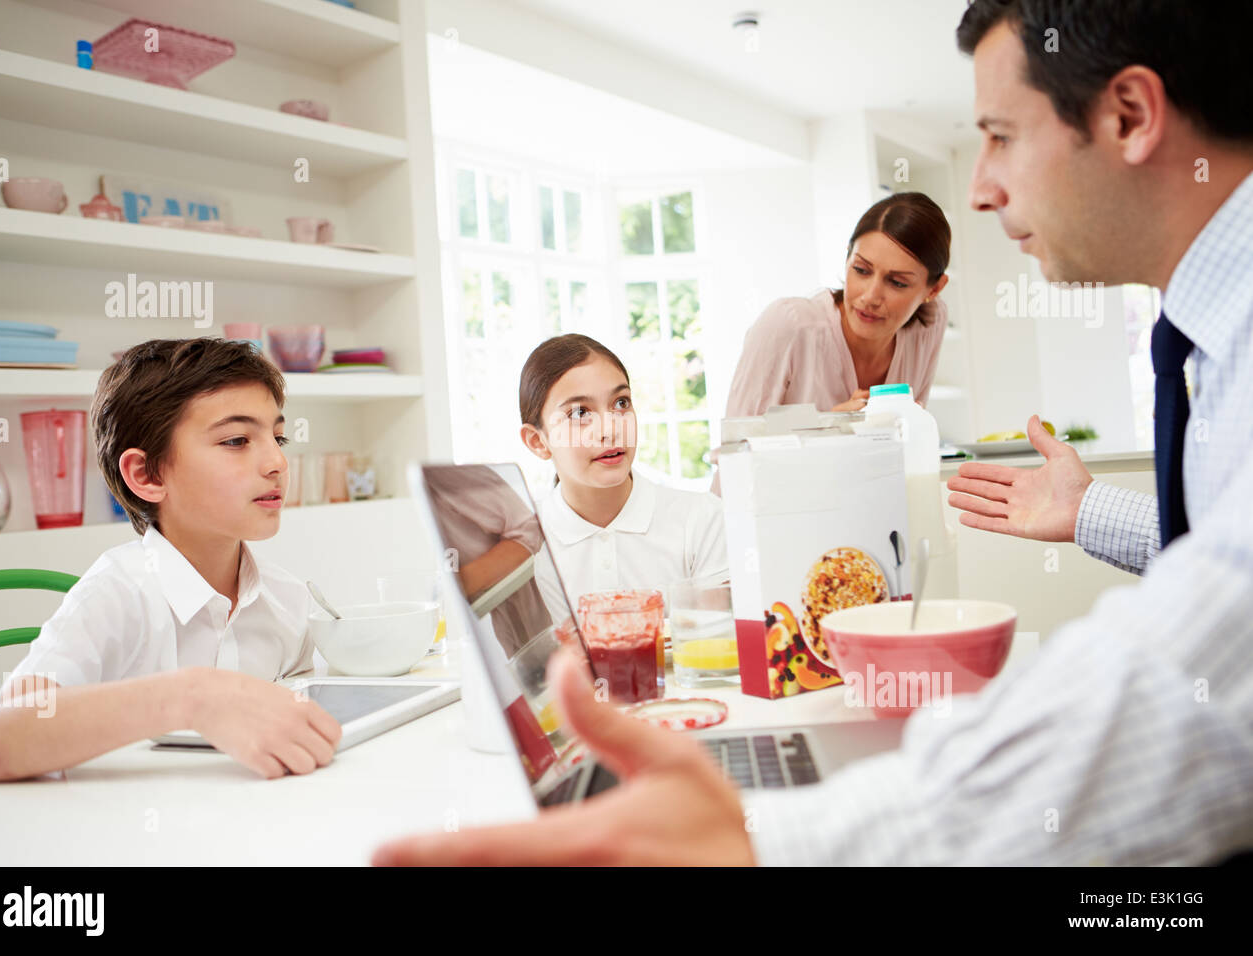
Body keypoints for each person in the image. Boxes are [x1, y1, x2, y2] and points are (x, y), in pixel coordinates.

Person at [372, 0, 1253, 865]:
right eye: (861, 270)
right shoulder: (1215, 337)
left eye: (1000, 134)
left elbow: (1178, 691)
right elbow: (1220, 569)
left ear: (1130, 115)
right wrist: (1096, 512)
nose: (982, 187)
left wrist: (761, 844)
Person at [0, 338, 341, 782]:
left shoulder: (288, 599)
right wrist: (191, 696)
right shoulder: (118, 591)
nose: (277, 461)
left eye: (278, 437)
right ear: (146, 475)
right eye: (237, 440)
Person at [518, 334, 728, 624]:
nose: (610, 429)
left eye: (621, 403)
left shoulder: (703, 519)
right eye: (580, 412)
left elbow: (718, 651)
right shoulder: (523, 548)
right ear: (538, 441)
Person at [725, 191, 951, 418]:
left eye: (897, 283)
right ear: (847, 258)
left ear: (934, 289)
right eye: (861, 270)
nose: (870, 297)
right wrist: (830, 429)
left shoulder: (929, 323)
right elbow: (736, 447)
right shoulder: (788, 326)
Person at [424, 463, 552, 657]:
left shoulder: (443, 476)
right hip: (492, 634)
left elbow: (528, 528)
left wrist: (459, 585)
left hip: (529, 622)